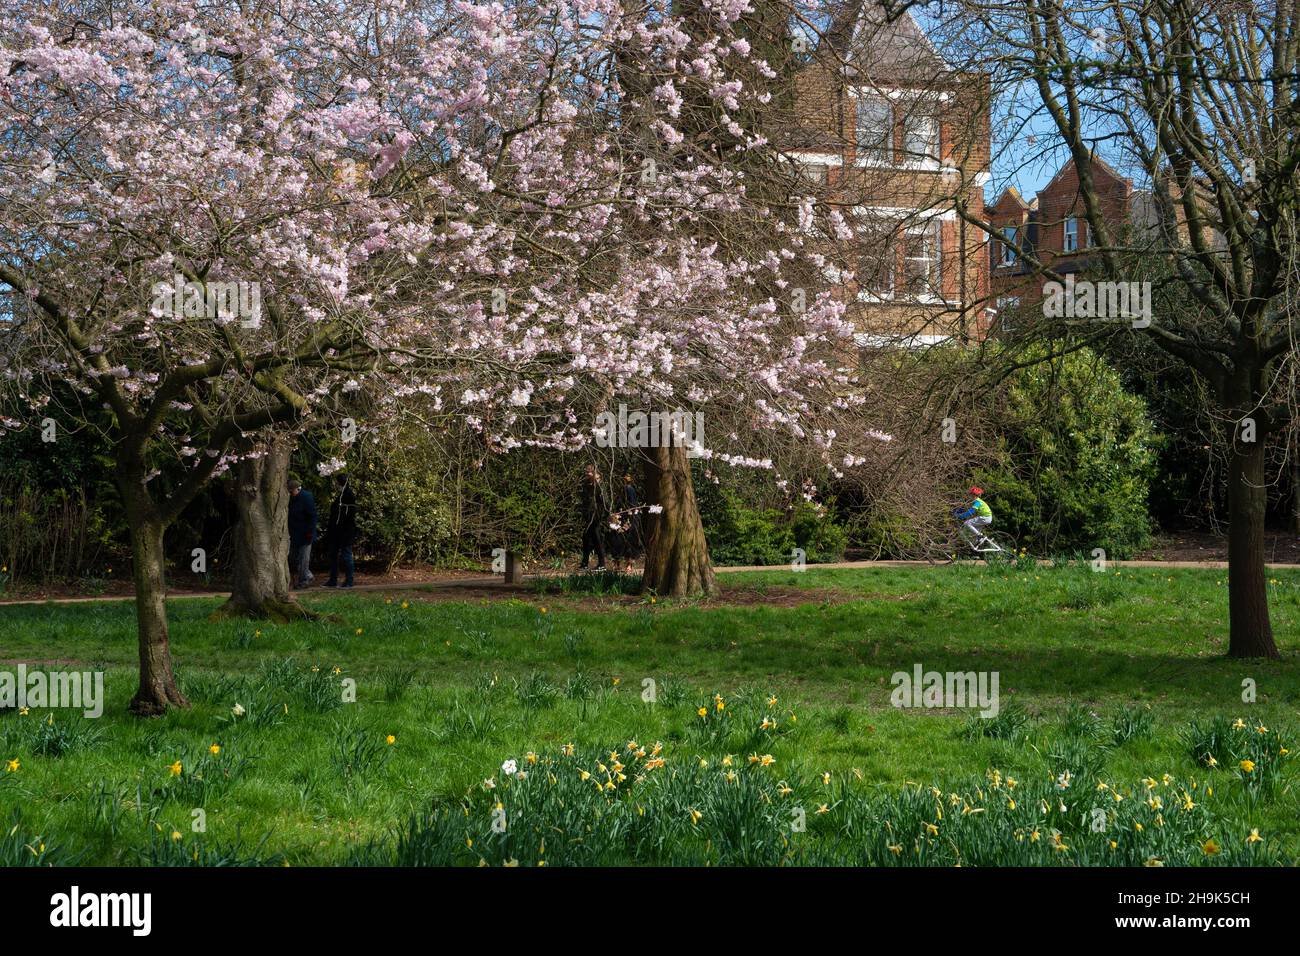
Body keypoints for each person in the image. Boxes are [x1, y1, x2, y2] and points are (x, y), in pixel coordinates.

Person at [324, 473, 357, 589]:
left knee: (346, 555)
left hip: (344, 532)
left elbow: (346, 516)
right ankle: (333, 579)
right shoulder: (343, 495)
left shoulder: (348, 495)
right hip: (337, 531)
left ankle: (349, 580)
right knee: (333, 555)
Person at [287, 477, 318, 589]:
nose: (290, 494)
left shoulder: (306, 497)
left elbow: (312, 516)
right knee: (293, 558)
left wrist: (310, 533)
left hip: (306, 534)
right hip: (295, 534)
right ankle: (306, 576)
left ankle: (305, 579)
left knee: (304, 558)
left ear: (297, 489)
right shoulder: (294, 499)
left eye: (291, 491)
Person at [611, 472, 644, 573]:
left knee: (628, 541)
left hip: (629, 518)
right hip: (622, 517)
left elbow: (632, 505)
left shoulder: (629, 489)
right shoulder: (621, 490)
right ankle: (618, 563)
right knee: (618, 541)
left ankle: (628, 563)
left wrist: (628, 518)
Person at [579, 464, 608, 570]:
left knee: (597, 538)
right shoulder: (586, 484)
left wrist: (603, 515)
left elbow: (605, 501)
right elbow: (584, 500)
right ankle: (585, 563)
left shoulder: (600, 485)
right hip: (588, 515)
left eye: (589, 472)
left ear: (594, 472)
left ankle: (602, 563)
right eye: (586, 472)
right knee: (586, 538)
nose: (587, 474)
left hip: (597, 516)